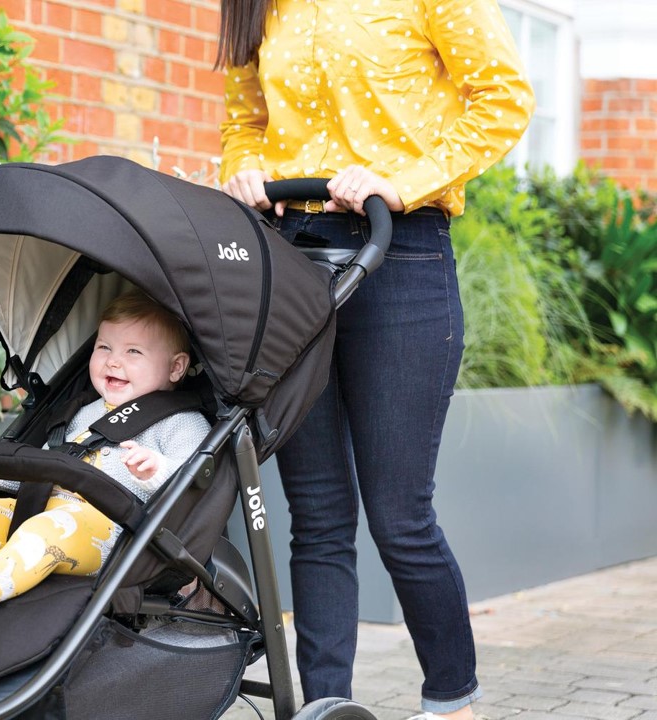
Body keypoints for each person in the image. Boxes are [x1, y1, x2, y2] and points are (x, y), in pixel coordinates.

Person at [216, 2, 534, 720]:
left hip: (401, 251)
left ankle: (452, 699)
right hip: (291, 261)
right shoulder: (260, 7)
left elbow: (503, 97)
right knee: (317, 515)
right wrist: (244, 169)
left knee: (400, 516)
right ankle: (327, 706)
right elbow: (246, 122)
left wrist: (407, 178)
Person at [0, 289, 211, 623]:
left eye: (133, 351)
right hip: (40, 511)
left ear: (176, 367)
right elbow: (42, 467)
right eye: (104, 347)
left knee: (48, 530)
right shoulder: (81, 412)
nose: (113, 361)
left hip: (110, 535)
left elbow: (194, 484)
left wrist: (156, 470)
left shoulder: (182, 422)